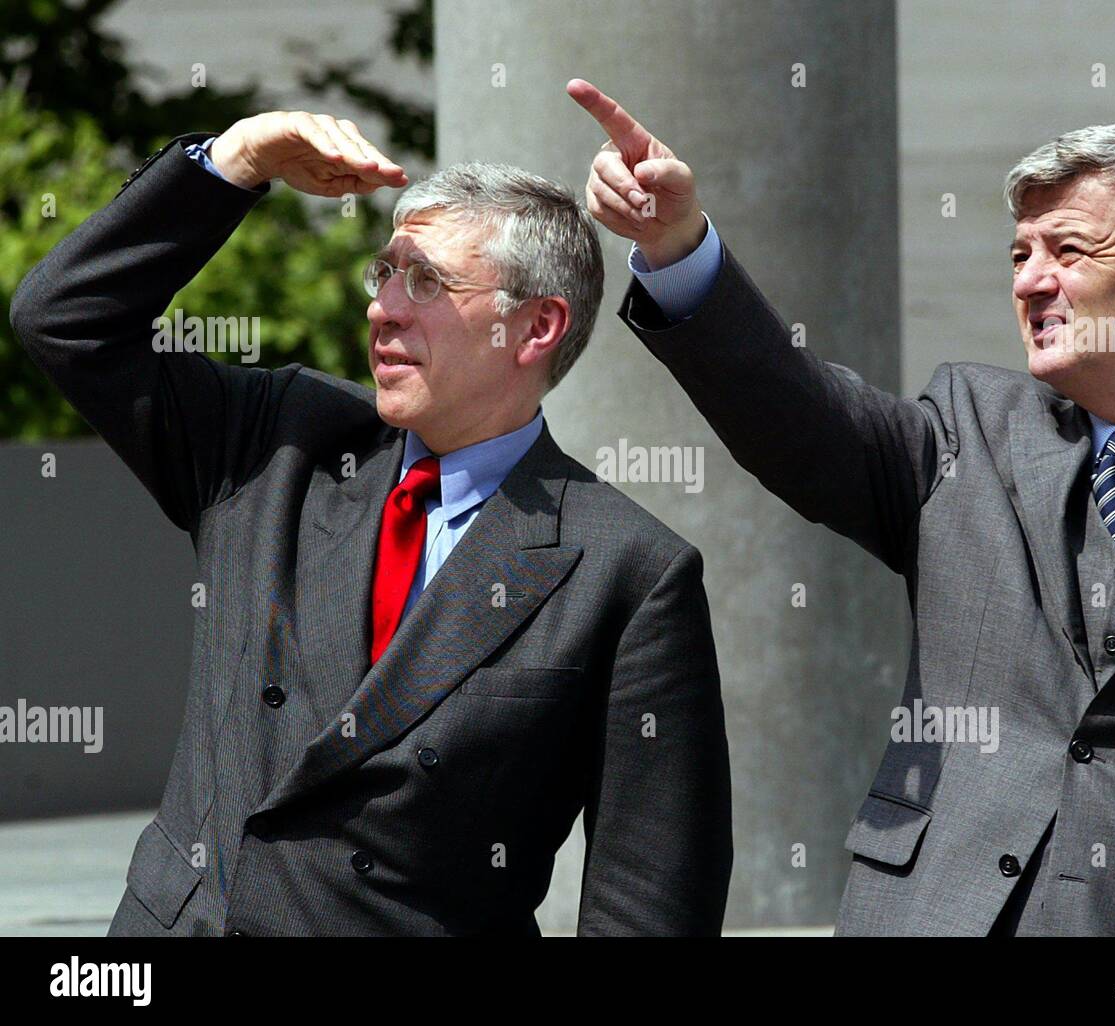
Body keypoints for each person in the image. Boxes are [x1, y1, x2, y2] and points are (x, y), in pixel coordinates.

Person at [569, 78, 1115, 937]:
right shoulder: (968, 430)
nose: (1031, 282)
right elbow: (794, 413)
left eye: (1067, 250)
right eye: (1018, 255)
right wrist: (676, 246)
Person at [10, 110, 732, 936]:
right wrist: (234, 161)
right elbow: (63, 321)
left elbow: (651, 901)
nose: (383, 310)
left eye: (426, 284)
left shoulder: (628, 569)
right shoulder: (279, 439)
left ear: (537, 327)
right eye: (384, 274)